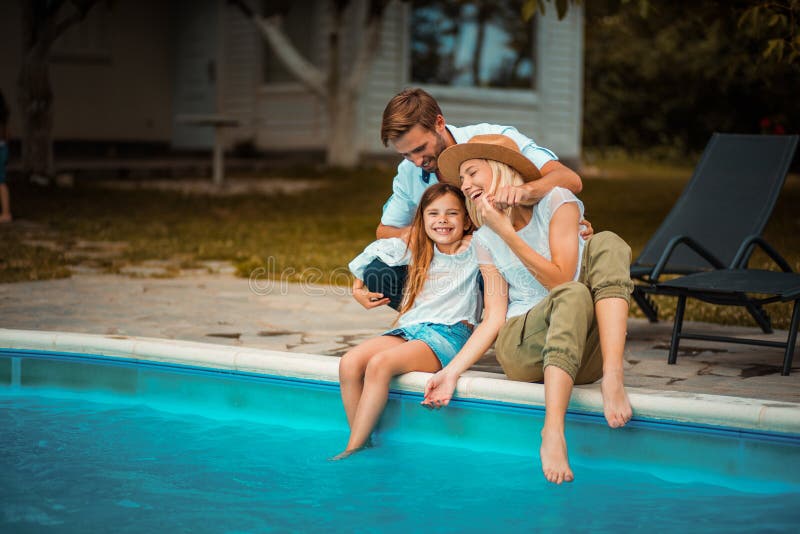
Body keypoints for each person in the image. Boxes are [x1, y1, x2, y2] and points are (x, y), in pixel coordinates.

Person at [423, 134, 634, 484]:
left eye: (473, 173)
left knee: (608, 243)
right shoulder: (486, 238)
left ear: (502, 169)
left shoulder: (557, 202)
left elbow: (562, 279)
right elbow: (494, 316)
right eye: (462, 179)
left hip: (582, 355)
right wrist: (452, 371)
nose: (466, 184)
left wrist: (509, 232)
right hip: (523, 346)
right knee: (574, 295)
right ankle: (552, 431)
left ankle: (613, 374)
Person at [353, 87, 590, 311]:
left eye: (420, 148)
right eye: (406, 154)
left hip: (503, 255)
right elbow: (385, 230)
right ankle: (435, 325)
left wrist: (526, 192)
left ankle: (492, 323)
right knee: (380, 273)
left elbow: (569, 179)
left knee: (486, 272)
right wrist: (431, 233)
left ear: (439, 122)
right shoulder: (409, 170)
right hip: (452, 263)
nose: (416, 161)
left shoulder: (494, 139)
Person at [335, 183, 507, 459]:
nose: (442, 220)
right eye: (433, 214)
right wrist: (357, 287)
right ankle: (363, 440)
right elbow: (375, 252)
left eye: (452, 213)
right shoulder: (420, 248)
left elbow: (504, 230)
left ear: (466, 220)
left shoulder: (477, 247)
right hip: (412, 330)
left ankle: (353, 449)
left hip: (450, 333)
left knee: (380, 364)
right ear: (423, 220)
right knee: (349, 363)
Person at [0, 89, 12, 223]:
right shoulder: (4, 119)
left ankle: (6, 212)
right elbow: (8, 135)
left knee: (1, 182)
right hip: (3, 148)